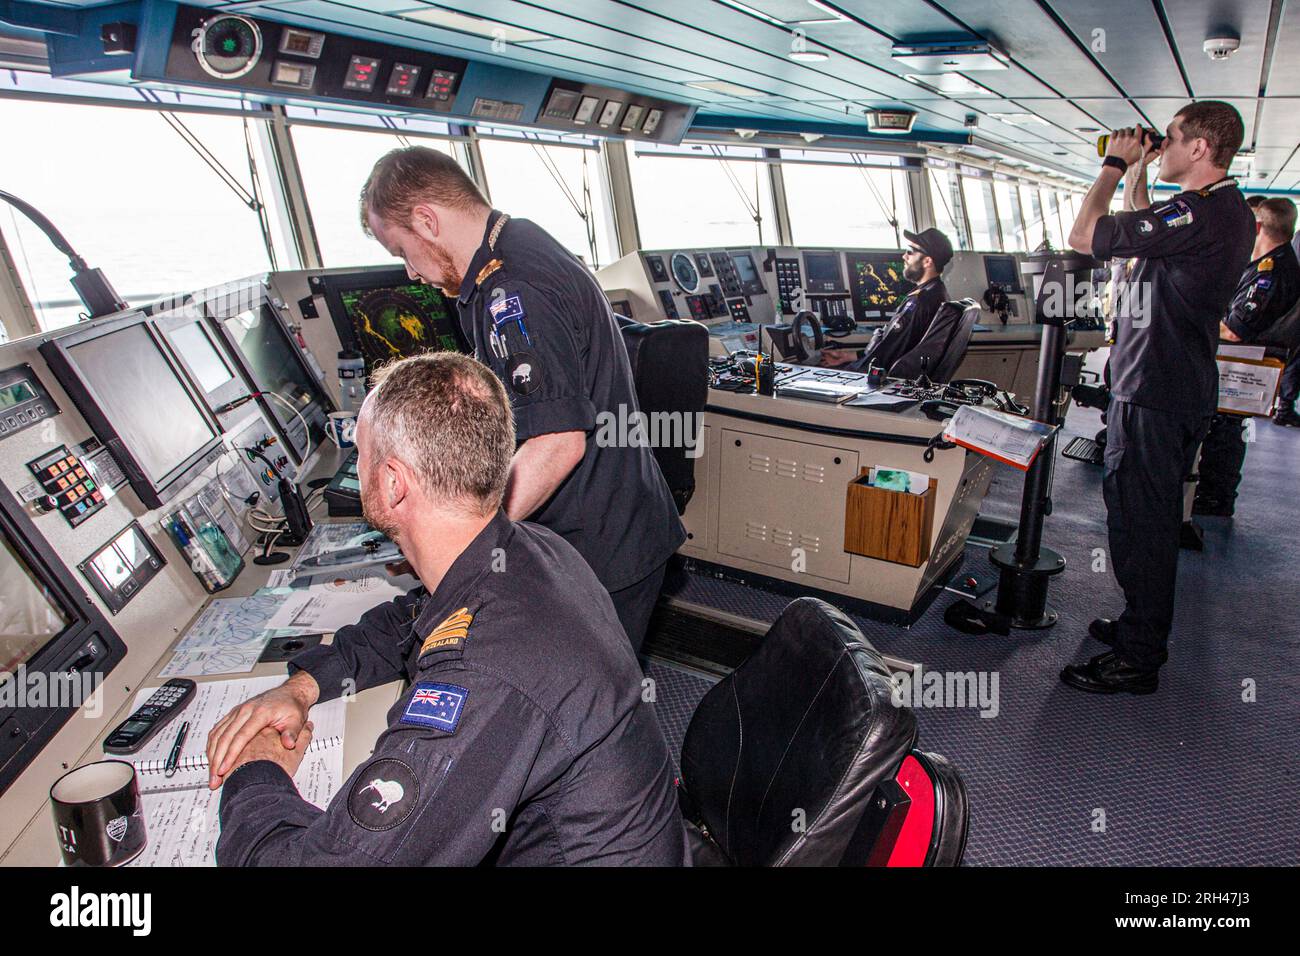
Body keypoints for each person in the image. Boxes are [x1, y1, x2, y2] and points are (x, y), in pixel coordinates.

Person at [208, 353, 687, 866]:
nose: (354, 462)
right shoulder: (529, 549)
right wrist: (302, 687)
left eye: (360, 452)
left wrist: (256, 769)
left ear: (394, 483)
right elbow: (413, 619)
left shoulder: (485, 672)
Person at [359, 146, 684, 652]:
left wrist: (461, 544)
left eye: (402, 251)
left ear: (426, 219)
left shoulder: (514, 288)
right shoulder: (517, 241)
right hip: (612, 518)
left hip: (601, 538)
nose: (410, 273)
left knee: (590, 702)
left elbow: (557, 444)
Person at [1061, 102, 1255, 695]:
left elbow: (1085, 236)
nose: (1163, 147)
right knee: (1133, 510)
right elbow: (1145, 232)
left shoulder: (1202, 212)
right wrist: (1143, 173)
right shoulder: (1213, 212)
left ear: (1199, 149)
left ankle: (1140, 657)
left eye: (1169, 140)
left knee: (1145, 522)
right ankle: (1136, 623)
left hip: (1159, 390)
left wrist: (1116, 165)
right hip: (1159, 384)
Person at [1196, 197, 1300, 514]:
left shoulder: (1272, 272)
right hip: (1245, 363)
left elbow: (1235, 329)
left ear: (1259, 227)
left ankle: (1216, 496)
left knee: (1225, 431)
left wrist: (1189, 319)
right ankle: (1215, 491)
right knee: (1224, 428)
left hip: (1245, 364)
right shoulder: (1271, 263)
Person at [822, 228, 952, 373]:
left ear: (928, 261)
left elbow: (887, 358)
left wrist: (849, 369)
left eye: (911, 251)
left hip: (880, 380)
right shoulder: (937, 292)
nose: (904, 256)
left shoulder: (919, 302)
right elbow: (893, 349)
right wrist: (847, 356)